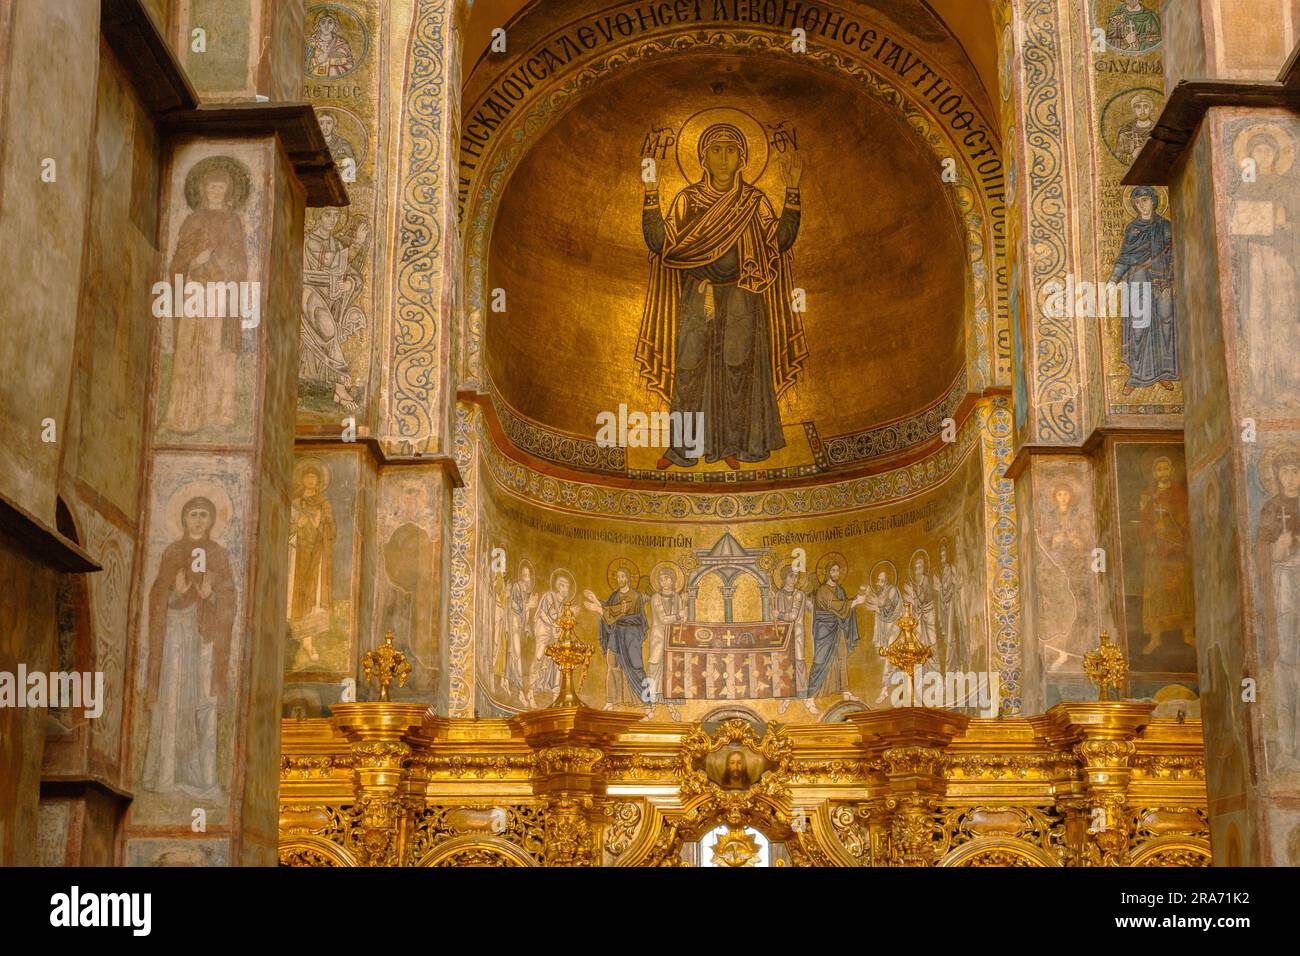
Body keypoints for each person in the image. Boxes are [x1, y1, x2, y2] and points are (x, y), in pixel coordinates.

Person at [638, 123, 807, 469]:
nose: (724, 158)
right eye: (716, 150)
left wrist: (792, 190)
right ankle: (682, 449)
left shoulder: (753, 202)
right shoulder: (688, 200)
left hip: (742, 295)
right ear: (703, 157)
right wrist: (651, 191)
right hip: (698, 296)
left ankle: (733, 445)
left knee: (736, 369)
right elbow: (661, 243)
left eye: (732, 150)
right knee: (688, 369)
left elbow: (778, 241)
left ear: (743, 159)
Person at [143, 496, 236, 800]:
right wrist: (174, 594)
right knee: (172, 700)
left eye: (203, 515)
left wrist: (210, 595)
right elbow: (157, 595)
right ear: (183, 519)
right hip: (176, 636)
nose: (197, 520)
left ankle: (206, 782)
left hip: (207, 637)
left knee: (205, 703)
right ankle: (167, 776)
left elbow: (229, 600)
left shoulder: (219, 555)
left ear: (212, 521)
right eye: (193, 515)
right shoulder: (173, 552)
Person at [161, 162, 249, 434]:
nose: (215, 191)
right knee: (189, 350)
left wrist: (218, 262)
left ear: (228, 191)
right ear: (203, 189)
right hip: (193, 292)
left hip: (219, 294)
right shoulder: (193, 220)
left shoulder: (233, 222)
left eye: (220, 187)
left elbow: (240, 263)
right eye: (211, 186)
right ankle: (183, 414)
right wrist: (192, 261)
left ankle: (215, 413)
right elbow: (176, 262)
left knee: (216, 350)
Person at [1110, 186, 1178, 394]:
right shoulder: (1133, 229)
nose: (1142, 205)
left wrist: (1171, 281)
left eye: (1146, 200)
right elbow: (1124, 256)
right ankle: (1137, 375)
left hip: (1162, 282)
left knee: (1165, 323)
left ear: (1154, 201)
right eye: (1138, 201)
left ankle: (1165, 373)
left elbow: (1174, 254)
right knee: (1139, 326)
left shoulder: (1165, 226)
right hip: (1138, 279)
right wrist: (1113, 279)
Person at [584, 561, 650, 712]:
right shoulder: (615, 595)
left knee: (636, 667)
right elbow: (611, 608)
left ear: (628, 578)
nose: (619, 579)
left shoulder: (635, 595)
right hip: (616, 634)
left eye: (622, 576)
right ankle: (610, 701)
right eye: (617, 577)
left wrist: (599, 609)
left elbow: (620, 611)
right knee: (611, 664)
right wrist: (596, 601)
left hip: (630, 636)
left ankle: (647, 701)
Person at [806, 553, 867, 700]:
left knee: (842, 657)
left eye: (838, 570)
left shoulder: (840, 590)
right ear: (828, 573)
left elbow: (844, 611)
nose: (836, 573)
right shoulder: (822, 591)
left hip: (838, 629)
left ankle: (845, 691)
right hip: (824, 631)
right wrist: (855, 602)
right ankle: (811, 695)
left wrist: (854, 602)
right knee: (820, 660)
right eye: (833, 570)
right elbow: (836, 605)